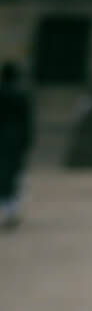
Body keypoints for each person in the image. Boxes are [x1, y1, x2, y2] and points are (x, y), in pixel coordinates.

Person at [0, 62, 34, 230]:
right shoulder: (21, 95)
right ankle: (10, 211)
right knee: (12, 176)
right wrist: (27, 142)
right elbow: (26, 122)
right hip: (14, 141)